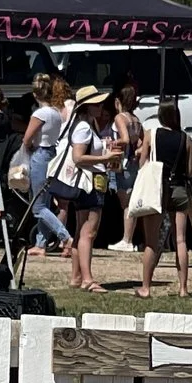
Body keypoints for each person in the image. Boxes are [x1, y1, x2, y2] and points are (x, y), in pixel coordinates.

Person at [48, 87, 122, 291]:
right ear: (87, 106)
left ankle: (77, 277)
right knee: (89, 232)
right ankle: (88, 278)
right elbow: (78, 157)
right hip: (90, 182)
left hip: (86, 181)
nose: (100, 107)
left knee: (81, 231)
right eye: (97, 104)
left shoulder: (82, 125)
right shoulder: (84, 128)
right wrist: (105, 158)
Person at [132, 110, 192, 299]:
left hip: (157, 188)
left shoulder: (152, 134)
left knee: (151, 240)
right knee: (181, 240)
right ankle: (183, 288)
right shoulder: (186, 138)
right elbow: (190, 171)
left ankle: (146, 287)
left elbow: (143, 163)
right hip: (179, 188)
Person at [22, 74, 72, 254]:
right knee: (46, 201)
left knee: (38, 206)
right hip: (52, 153)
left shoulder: (40, 113)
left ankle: (65, 236)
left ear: (35, 94)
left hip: (40, 154)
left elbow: (27, 138)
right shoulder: (56, 114)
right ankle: (40, 243)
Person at [106, 79, 147, 254]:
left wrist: (110, 143)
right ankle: (130, 238)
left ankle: (126, 239)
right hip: (133, 163)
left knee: (127, 204)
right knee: (131, 202)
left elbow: (123, 139)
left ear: (118, 101)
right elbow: (143, 141)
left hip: (122, 163)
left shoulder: (120, 117)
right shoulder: (136, 120)